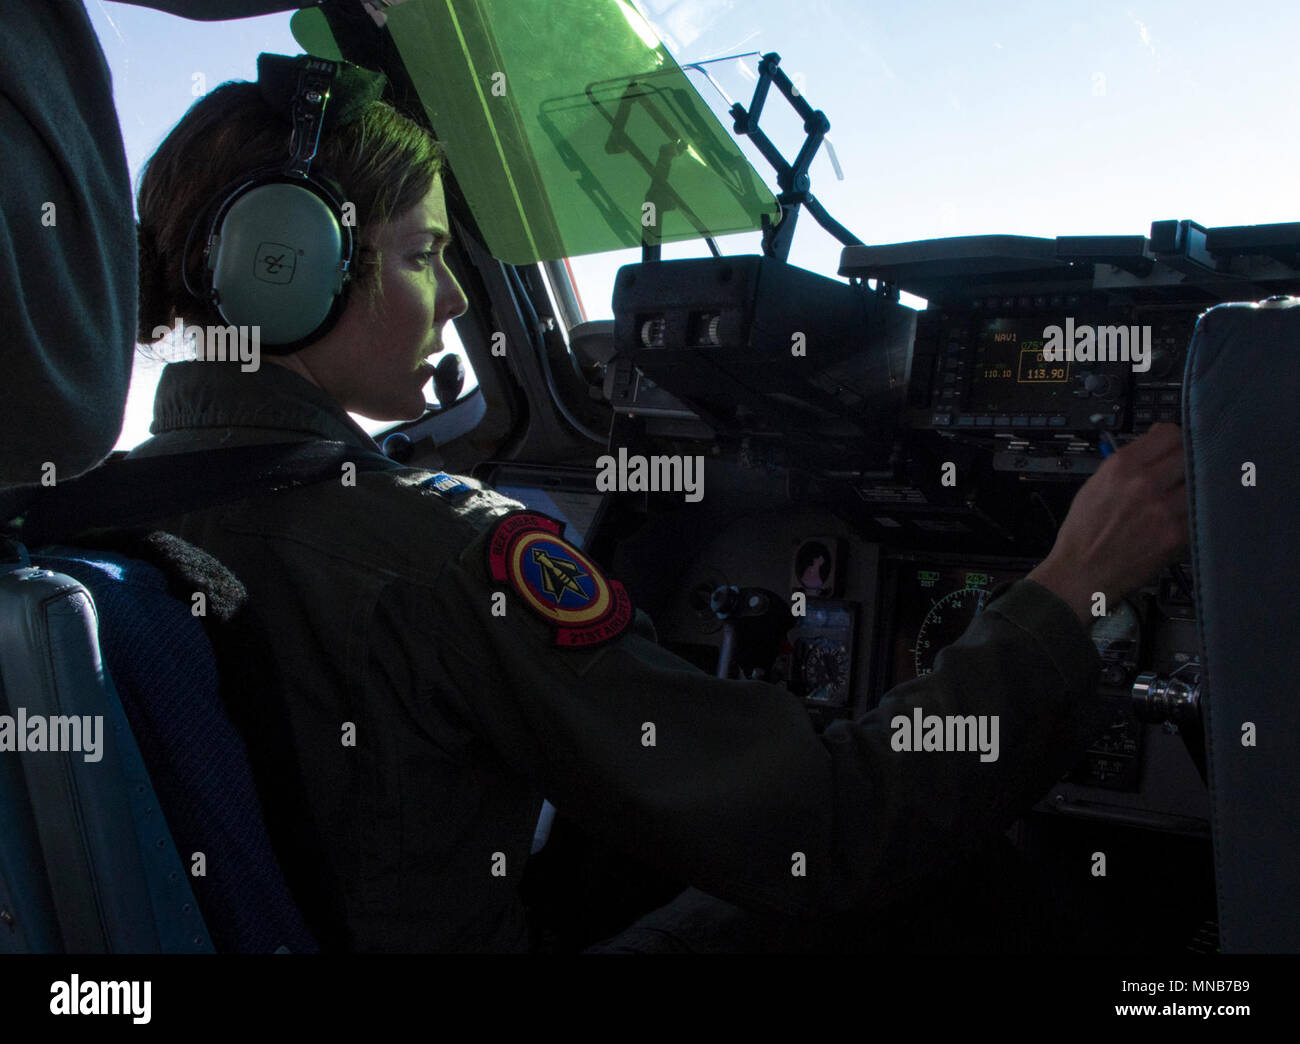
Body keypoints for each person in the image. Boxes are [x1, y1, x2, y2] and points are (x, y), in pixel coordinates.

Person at [126, 57, 1190, 953]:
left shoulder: (79, 527)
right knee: (945, 887)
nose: (451, 300)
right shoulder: (440, 556)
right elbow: (833, 823)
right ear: (286, 270)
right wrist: (1072, 586)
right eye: (422, 255)